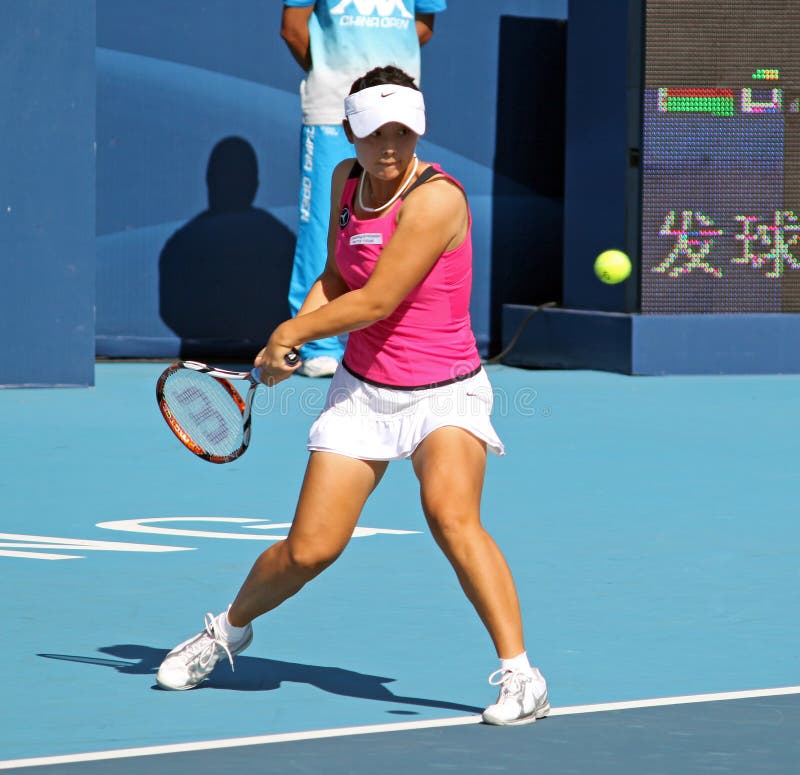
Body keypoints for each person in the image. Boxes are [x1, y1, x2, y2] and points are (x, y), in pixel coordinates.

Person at [156, 66, 550, 726]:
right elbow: (339, 277)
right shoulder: (345, 185)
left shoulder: (437, 200)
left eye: (403, 133)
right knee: (309, 549)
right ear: (349, 134)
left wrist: (290, 329)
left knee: (451, 514)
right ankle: (226, 631)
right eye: (374, 135)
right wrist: (300, 346)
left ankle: (522, 676)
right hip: (364, 392)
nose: (390, 149)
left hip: (444, 394)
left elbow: (378, 299)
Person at [281, 0, 446, 377]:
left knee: (394, 222)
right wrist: (336, 75)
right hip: (331, 106)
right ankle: (315, 344)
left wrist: (381, 83)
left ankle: (376, 336)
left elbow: (423, 26)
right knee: (324, 223)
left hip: (396, 112)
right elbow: (293, 27)